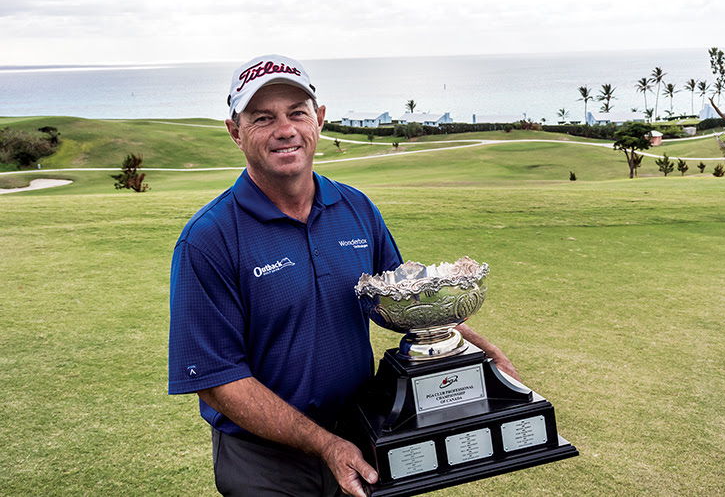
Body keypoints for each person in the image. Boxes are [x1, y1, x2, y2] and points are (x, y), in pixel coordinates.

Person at [168, 54, 520, 497]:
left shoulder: (356, 208)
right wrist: (325, 444)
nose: (285, 130)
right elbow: (218, 381)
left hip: (362, 433)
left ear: (318, 120)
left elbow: (407, 301)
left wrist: (484, 356)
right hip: (265, 463)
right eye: (262, 118)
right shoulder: (209, 239)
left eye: (297, 113)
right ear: (235, 132)